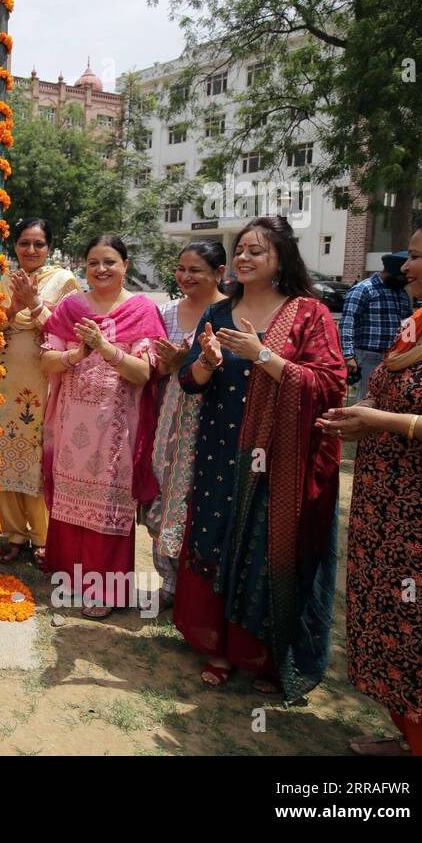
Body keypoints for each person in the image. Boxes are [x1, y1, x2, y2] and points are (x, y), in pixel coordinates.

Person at [174, 216, 345, 700]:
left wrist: (262, 355)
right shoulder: (218, 313)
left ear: (281, 259)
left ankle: (267, 654)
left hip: (282, 459)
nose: (245, 258)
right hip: (221, 450)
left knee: (269, 548)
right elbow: (189, 382)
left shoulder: (309, 313)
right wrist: (207, 361)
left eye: (257, 251)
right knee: (219, 535)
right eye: (241, 250)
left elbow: (330, 384)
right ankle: (222, 648)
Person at [323, 211, 422, 755]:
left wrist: (385, 422)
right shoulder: (419, 322)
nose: (406, 266)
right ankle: (410, 736)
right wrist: (364, 415)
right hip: (387, 508)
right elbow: (389, 392)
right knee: (397, 622)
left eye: (419, 255)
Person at [39, 235, 165, 618]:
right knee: (71, 498)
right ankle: (71, 579)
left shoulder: (141, 310)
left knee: (110, 500)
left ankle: (105, 590)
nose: (101, 269)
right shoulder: (71, 307)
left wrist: (106, 349)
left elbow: (144, 372)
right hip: (71, 418)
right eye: (93, 262)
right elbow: (47, 362)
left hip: (116, 425)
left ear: (125, 265)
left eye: (109, 261)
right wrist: (77, 353)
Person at [140, 242, 228, 606]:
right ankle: (169, 582)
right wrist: (172, 364)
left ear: (219, 273)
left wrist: (191, 363)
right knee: (160, 492)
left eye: (196, 270)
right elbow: (149, 365)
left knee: (196, 498)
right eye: (181, 269)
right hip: (165, 415)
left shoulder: (227, 314)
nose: (186, 277)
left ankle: (197, 588)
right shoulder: (166, 312)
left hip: (210, 419)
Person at [0, 218, 81, 566]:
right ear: (15, 245)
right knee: (5, 448)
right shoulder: (2, 279)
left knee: (39, 456)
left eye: (38, 244)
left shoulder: (63, 281)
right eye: (24, 243)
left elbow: (68, 330)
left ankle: (43, 536)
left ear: (49, 247)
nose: (31, 250)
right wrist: (11, 309)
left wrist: (33, 304)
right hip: (5, 382)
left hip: (44, 382)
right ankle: (14, 533)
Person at [340, 251, 413, 401]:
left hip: (395, 356)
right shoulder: (364, 289)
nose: (405, 281)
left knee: (389, 398)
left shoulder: (401, 293)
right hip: (369, 356)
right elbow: (348, 322)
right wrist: (348, 356)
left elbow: (408, 322)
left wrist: (410, 349)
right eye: (402, 277)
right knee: (368, 397)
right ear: (390, 272)